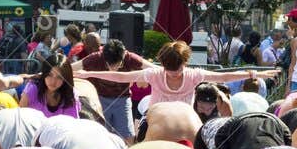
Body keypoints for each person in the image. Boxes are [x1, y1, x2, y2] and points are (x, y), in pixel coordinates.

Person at [79, 40, 276, 106]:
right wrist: (88, 75)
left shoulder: (194, 75)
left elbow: (223, 76)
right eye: (169, 69)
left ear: (185, 63)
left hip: (185, 120)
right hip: (156, 118)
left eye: (178, 68)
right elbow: (121, 76)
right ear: (163, 65)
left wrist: (253, 74)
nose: (173, 74)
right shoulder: (154, 75)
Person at [75, 39, 145, 140]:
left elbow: (153, 67)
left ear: (123, 58)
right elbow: (70, 67)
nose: (114, 70)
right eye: (110, 66)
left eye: (118, 65)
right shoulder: (96, 57)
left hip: (122, 100)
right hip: (100, 99)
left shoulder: (129, 58)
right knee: (101, 135)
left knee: (128, 137)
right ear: (105, 59)